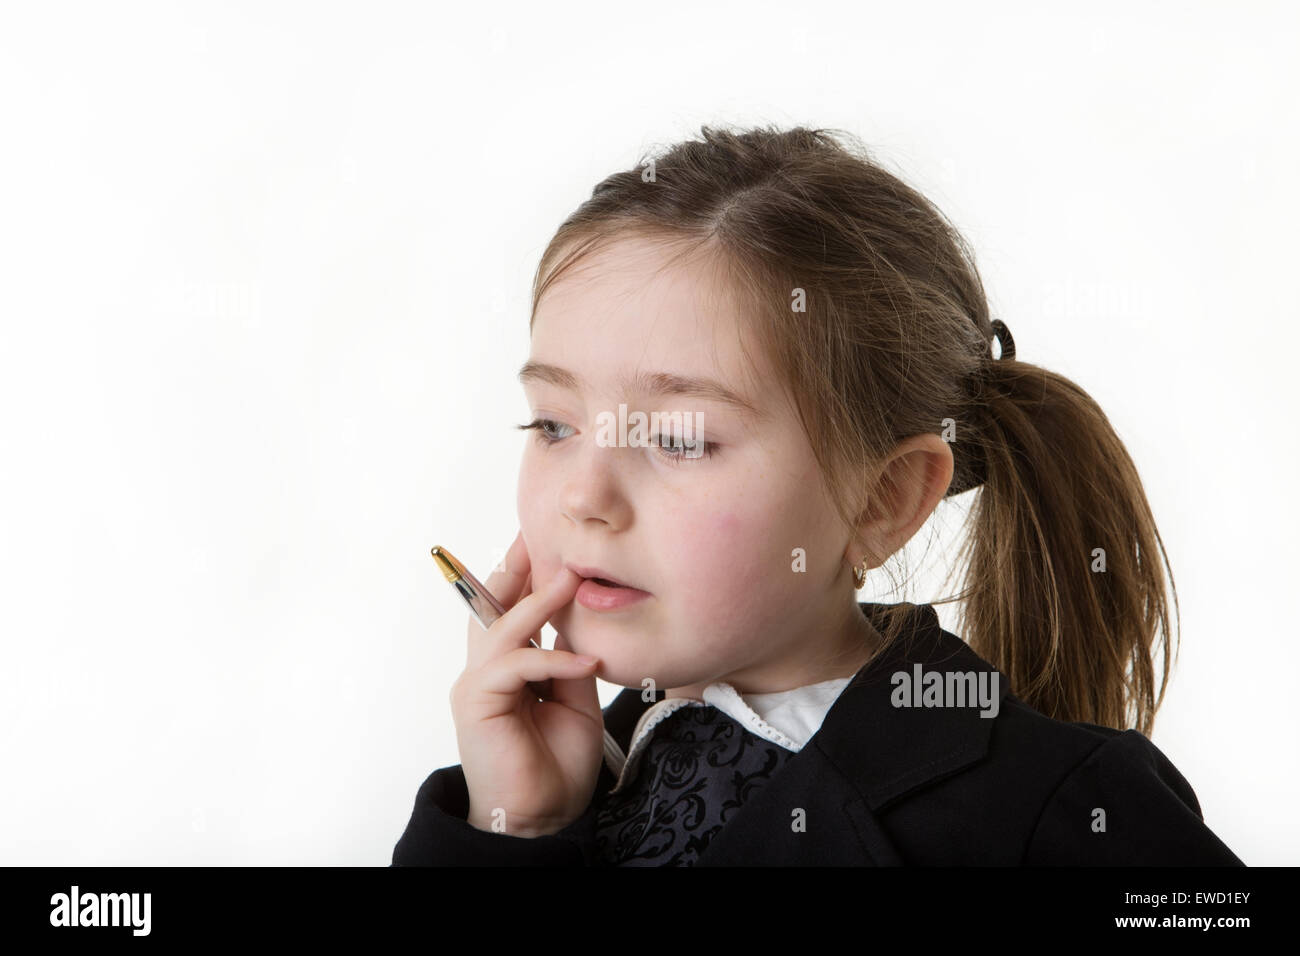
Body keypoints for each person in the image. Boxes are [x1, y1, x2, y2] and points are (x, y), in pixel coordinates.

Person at [392, 125, 1243, 866]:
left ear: (884, 499)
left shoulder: (1057, 807)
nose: (583, 496)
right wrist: (516, 832)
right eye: (552, 427)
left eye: (679, 439)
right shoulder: (555, 782)